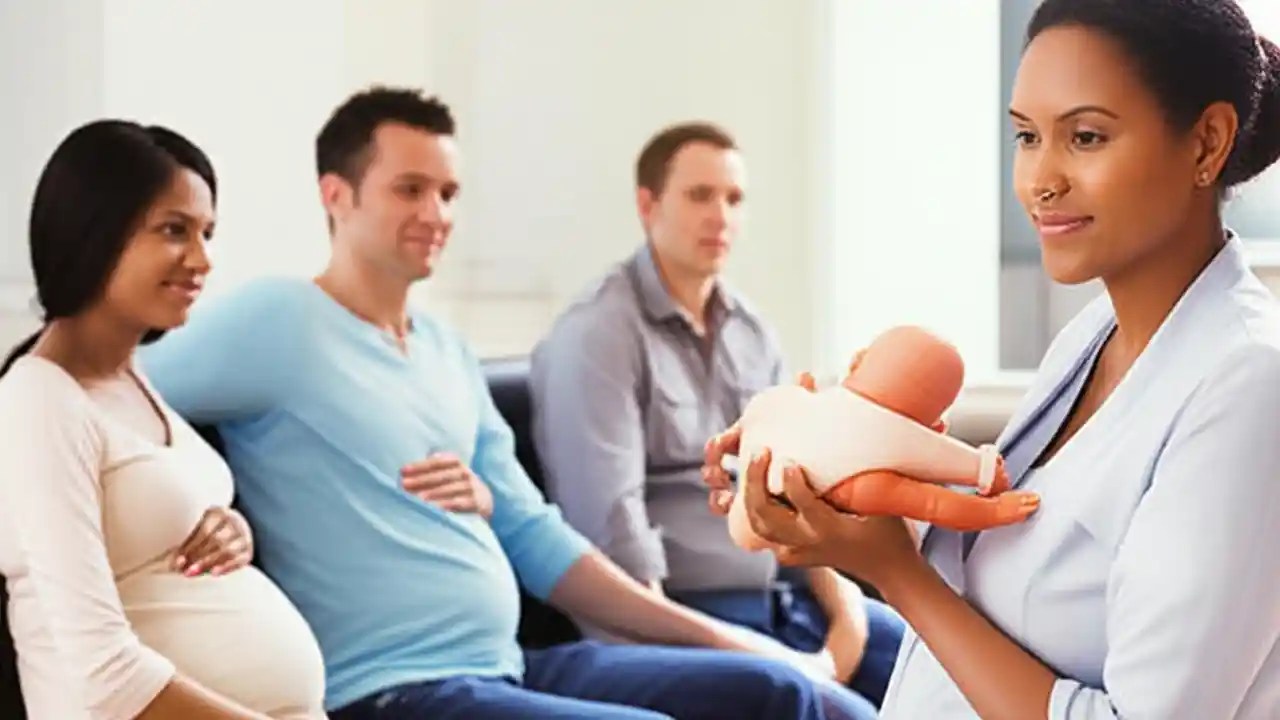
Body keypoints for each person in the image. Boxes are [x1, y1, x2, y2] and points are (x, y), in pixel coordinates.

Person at [140, 87, 840, 720]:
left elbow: (535, 537)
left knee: (780, 694)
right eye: (410, 189)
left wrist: (734, 645)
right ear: (336, 195)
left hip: (511, 668)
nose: (436, 214)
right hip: (394, 690)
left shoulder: (445, 348)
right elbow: (104, 387)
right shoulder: (278, 321)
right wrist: (209, 504)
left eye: (448, 192)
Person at [704, 1, 1280, 718]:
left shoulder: (1248, 386)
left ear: (1206, 144)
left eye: (1086, 136)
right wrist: (833, 473)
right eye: (1027, 136)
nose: (1040, 179)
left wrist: (896, 573)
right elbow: (1010, 564)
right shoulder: (1093, 336)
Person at [530, 121, 903, 715]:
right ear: (647, 205)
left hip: (782, 597)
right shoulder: (597, 333)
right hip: (689, 615)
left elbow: (797, 487)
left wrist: (846, 619)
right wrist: (689, 661)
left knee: (937, 668)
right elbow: (610, 525)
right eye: (700, 196)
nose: (721, 216)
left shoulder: (751, 331)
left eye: (734, 199)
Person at [0, 121, 327, 719]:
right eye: (174, 231)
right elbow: (102, 676)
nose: (202, 259)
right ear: (92, 234)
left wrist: (232, 533)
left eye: (208, 233)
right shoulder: (39, 400)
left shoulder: (131, 380)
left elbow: (148, 541)